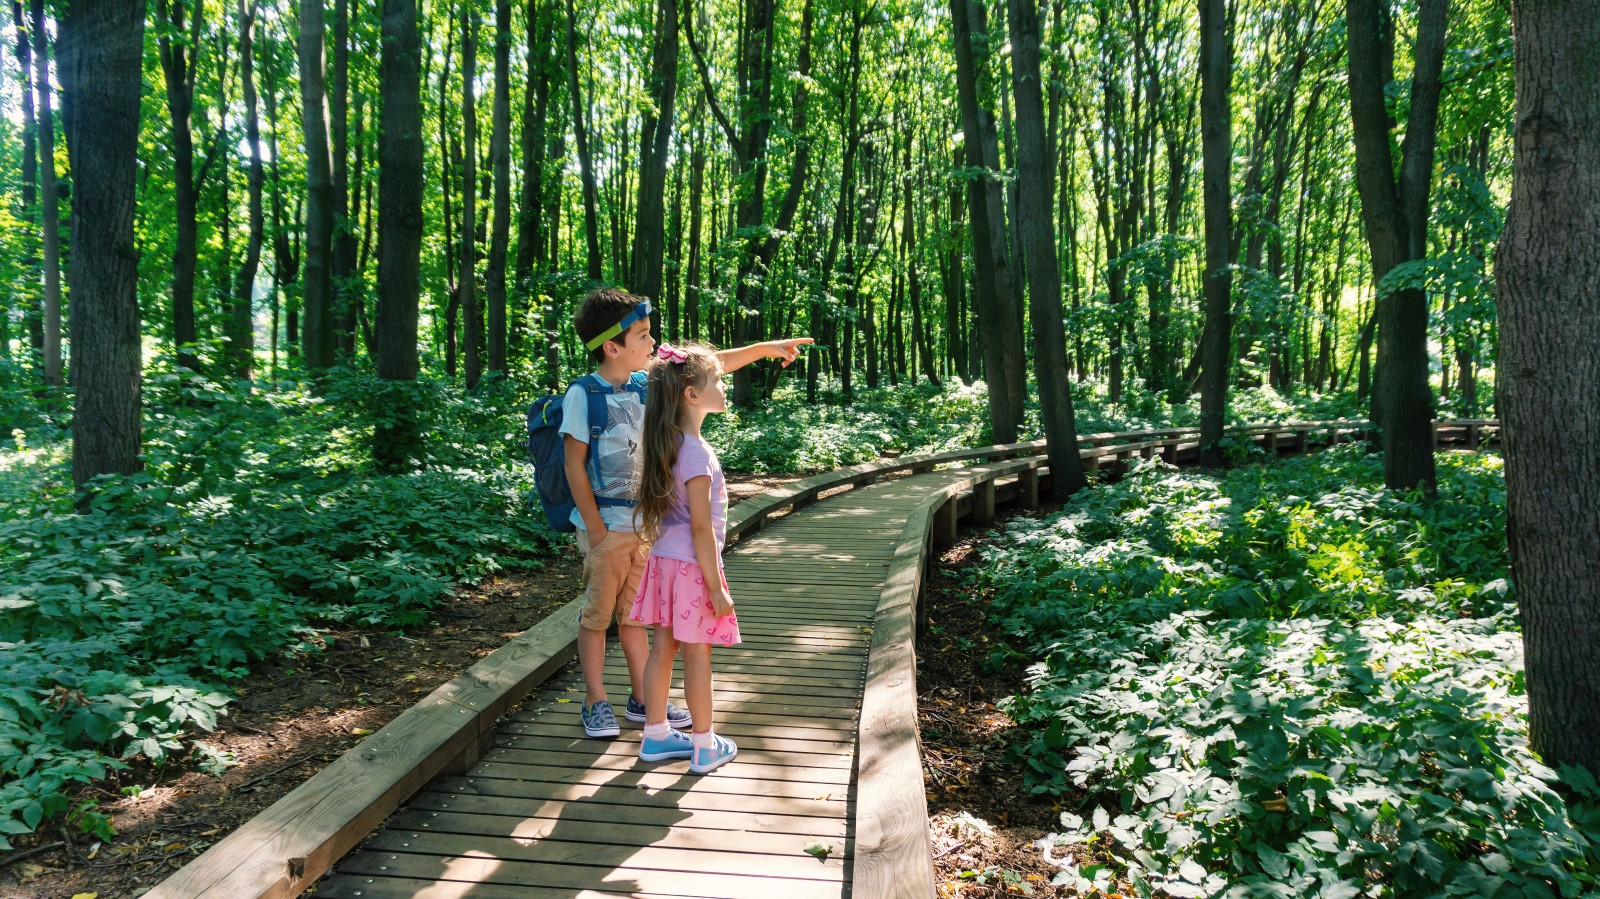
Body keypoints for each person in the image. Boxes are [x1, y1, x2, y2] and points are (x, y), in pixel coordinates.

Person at [562, 288, 808, 739]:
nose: (652, 341)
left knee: (635, 618)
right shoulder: (584, 393)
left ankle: (642, 699)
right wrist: (595, 529)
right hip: (606, 527)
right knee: (597, 616)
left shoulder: (647, 381)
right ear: (613, 346)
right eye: (642, 334)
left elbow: (701, 371)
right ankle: (596, 698)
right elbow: (573, 463)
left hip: (647, 529)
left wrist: (763, 350)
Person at [630, 342, 741, 773]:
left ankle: (656, 736)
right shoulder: (697, 452)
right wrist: (716, 589)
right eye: (716, 380)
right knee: (697, 657)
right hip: (693, 568)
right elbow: (701, 528)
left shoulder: (669, 443)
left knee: (663, 651)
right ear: (691, 394)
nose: (722, 385)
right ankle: (704, 746)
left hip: (664, 562)